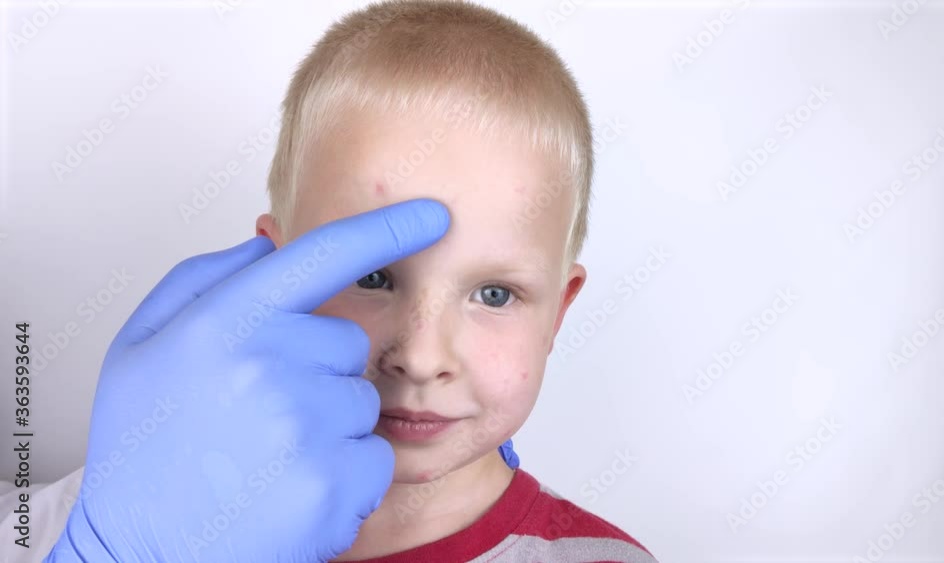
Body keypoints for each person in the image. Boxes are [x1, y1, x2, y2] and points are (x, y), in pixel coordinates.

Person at [1, 1, 655, 561]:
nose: (422, 358)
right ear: (269, 273)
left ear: (559, 313)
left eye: (494, 294)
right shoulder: (136, 506)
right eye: (373, 275)